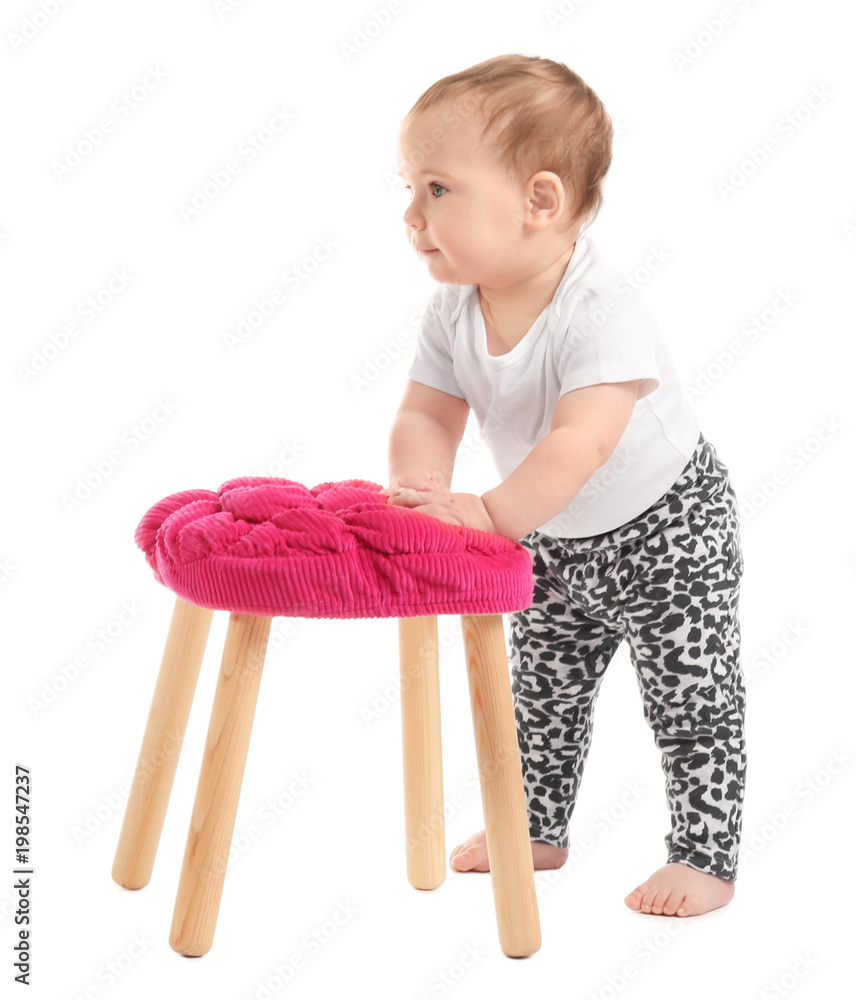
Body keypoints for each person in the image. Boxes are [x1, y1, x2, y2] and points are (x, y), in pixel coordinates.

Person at [382, 54, 746, 918]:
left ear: (539, 202)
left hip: (668, 531)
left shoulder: (601, 311)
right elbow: (427, 411)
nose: (411, 215)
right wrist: (420, 492)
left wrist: (489, 513)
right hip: (551, 533)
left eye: (438, 189)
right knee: (540, 696)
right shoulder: (454, 307)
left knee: (691, 697)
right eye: (408, 189)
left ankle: (704, 856)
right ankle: (537, 828)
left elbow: (581, 441)